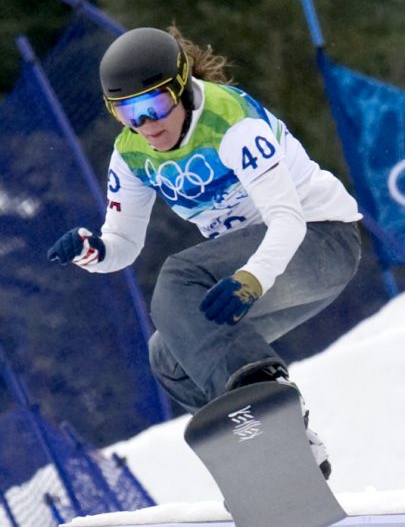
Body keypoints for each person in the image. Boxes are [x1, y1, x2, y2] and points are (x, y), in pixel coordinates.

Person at [47, 26, 362, 479]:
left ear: (180, 88)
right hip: (264, 271)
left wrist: (253, 277)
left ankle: (271, 401)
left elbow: (287, 218)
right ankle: (279, 450)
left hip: (321, 242)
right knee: (169, 356)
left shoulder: (231, 122)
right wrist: (93, 250)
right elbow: (123, 245)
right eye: (126, 113)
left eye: (154, 105)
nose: (147, 125)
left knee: (179, 279)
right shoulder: (133, 154)